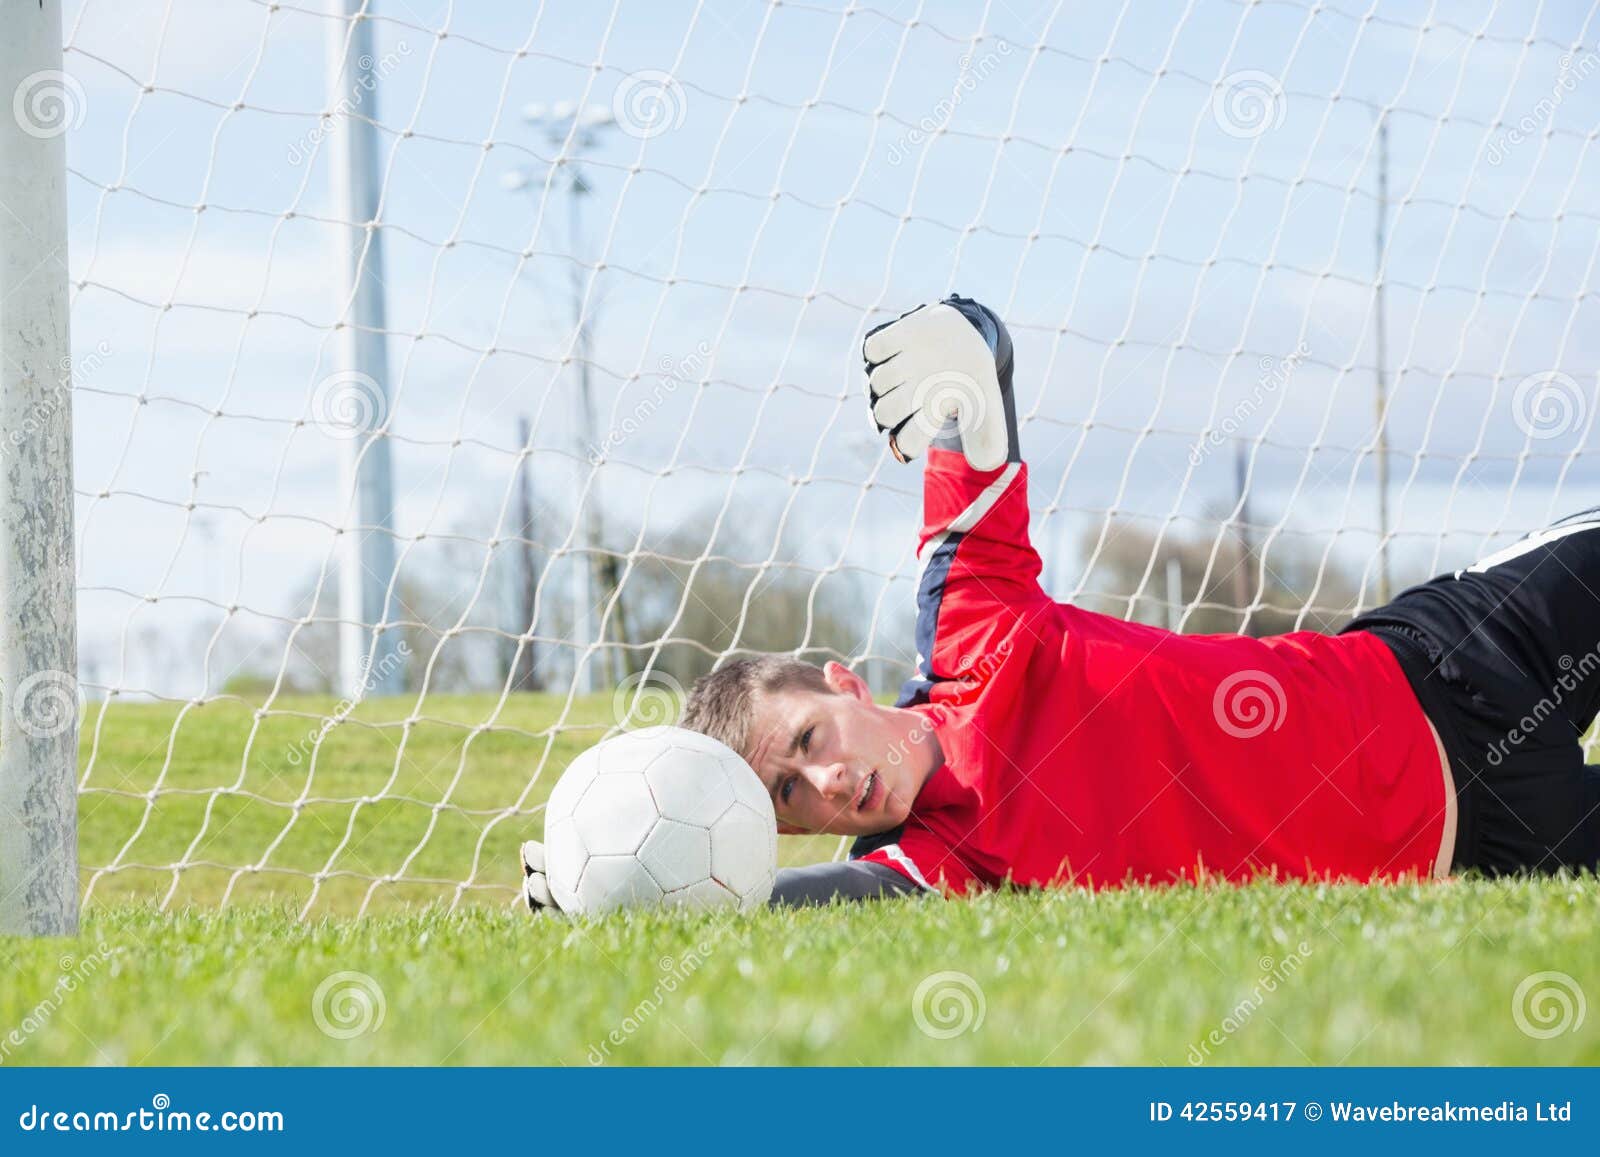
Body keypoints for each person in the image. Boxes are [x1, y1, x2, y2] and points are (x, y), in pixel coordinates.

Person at [523, 295, 1600, 911]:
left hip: (1444, 658)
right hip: (1495, 839)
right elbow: (778, 900)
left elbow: (974, 413)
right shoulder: (938, 864)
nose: (830, 782)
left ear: (842, 682)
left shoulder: (971, 629)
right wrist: (623, 883)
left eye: (807, 740)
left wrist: (961, 353)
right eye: (790, 796)